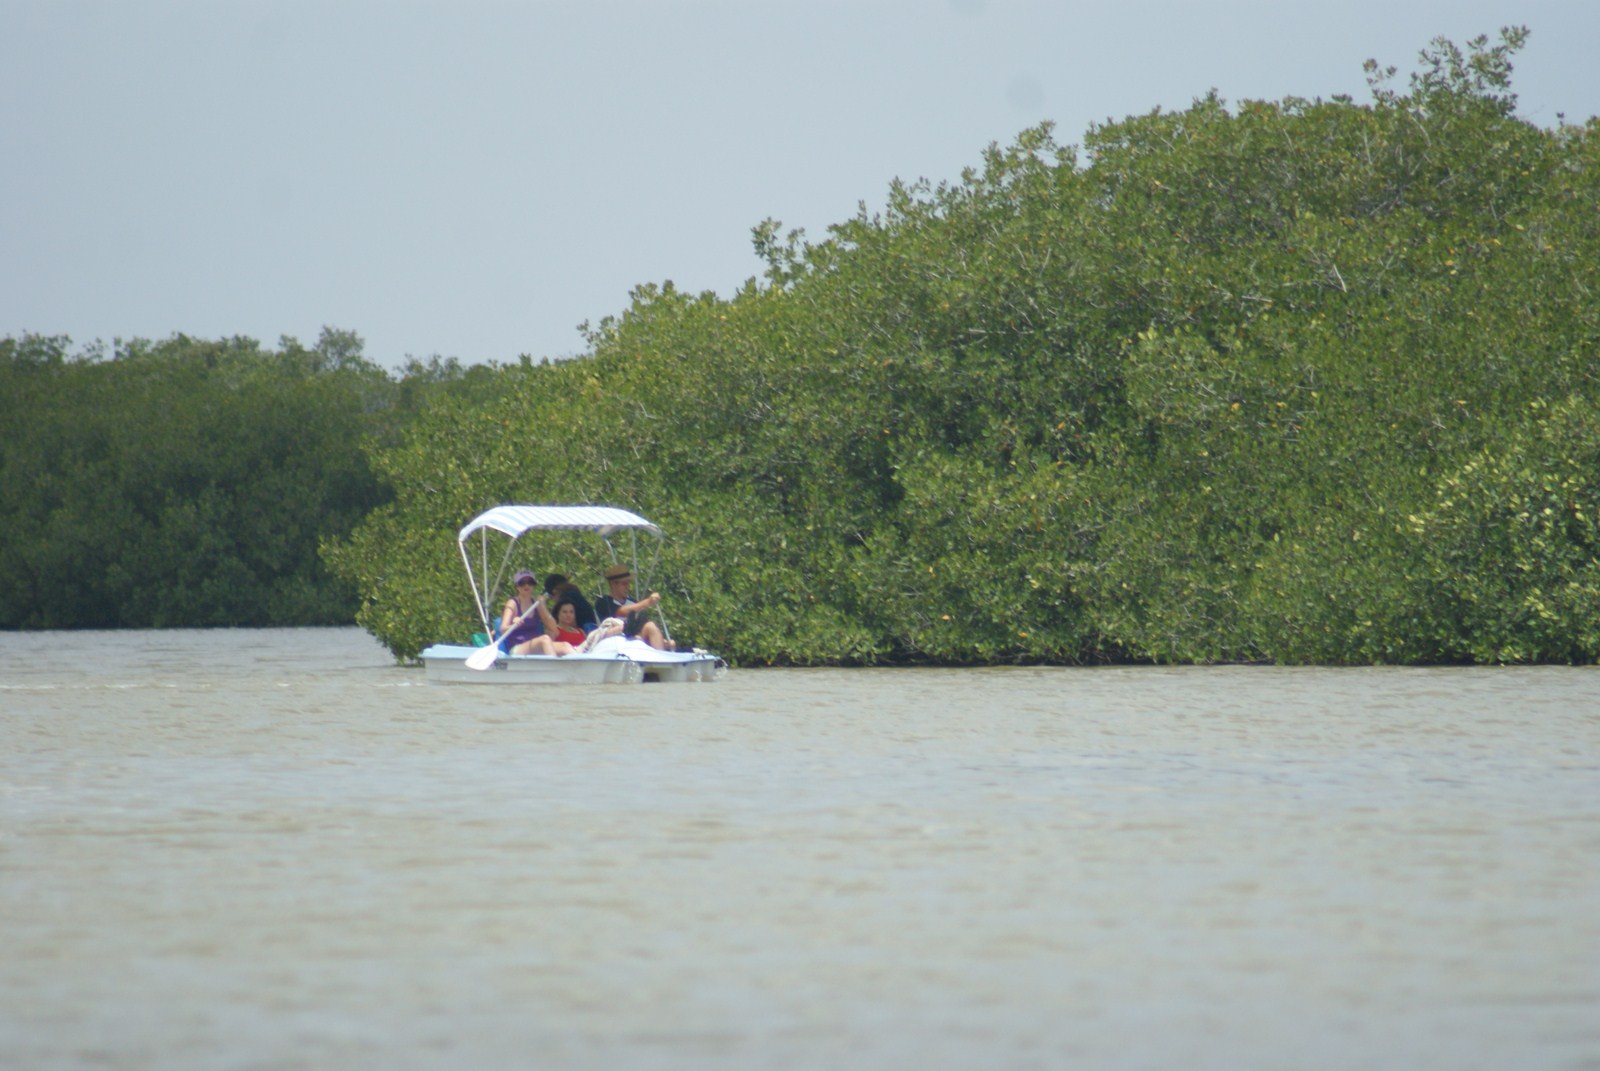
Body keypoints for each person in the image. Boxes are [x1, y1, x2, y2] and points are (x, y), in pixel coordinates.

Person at [593, 562, 675, 650]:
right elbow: (621, 612)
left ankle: (661, 658)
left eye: (628, 583)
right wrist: (648, 602)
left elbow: (642, 624)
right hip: (613, 640)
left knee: (650, 626)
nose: (628, 587)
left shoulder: (633, 602)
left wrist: (663, 642)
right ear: (613, 584)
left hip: (635, 638)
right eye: (624, 584)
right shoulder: (603, 602)